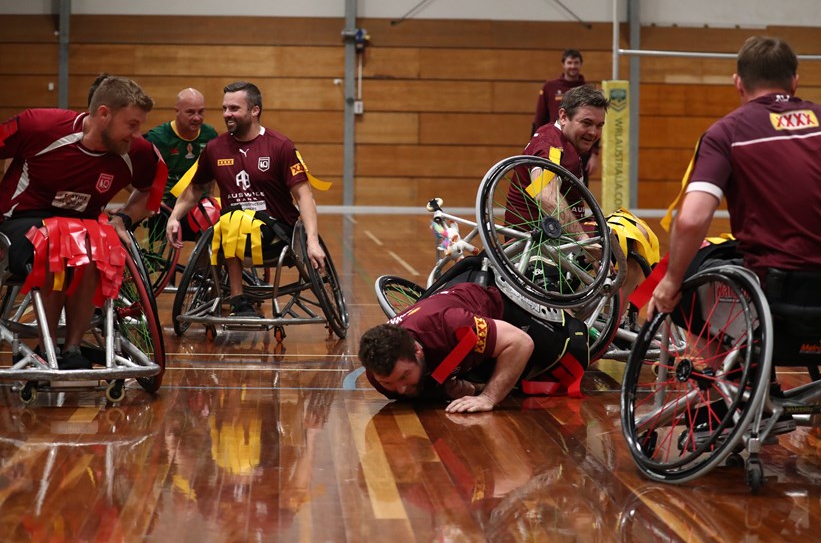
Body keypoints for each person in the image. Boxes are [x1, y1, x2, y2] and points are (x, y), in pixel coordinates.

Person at [650, 36, 821, 317]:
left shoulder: (726, 133)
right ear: (795, 81)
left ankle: (720, 362)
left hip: (777, 287)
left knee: (685, 285)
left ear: (738, 83)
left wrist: (670, 282)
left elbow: (691, 220)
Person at [0, 75, 166, 369]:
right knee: (59, 241)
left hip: (84, 229)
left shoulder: (135, 152)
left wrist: (124, 218)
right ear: (104, 114)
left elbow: (150, 190)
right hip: (22, 222)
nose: (138, 133)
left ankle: (72, 348)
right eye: (131, 124)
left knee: (95, 245)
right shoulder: (40, 126)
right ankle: (47, 345)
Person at [165, 81, 326, 317]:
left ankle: (238, 297)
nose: (227, 115)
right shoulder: (215, 148)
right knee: (227, 225)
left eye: (234, 109)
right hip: (234, 229)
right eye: (224, 109)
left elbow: (304, 195)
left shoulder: (280, 146)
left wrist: (312, 240)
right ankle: (238, 300)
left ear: (254, 110)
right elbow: (196, 189)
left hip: (277, 230)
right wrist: (174, 217)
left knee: (230, 226)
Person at [359, 258, 591, 414]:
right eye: (387, 383)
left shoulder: (452, 326)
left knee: (572, 351)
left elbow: (520, 342)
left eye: (404, 376)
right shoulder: (377, 372)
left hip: (498, 304)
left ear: (417, 351)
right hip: (454, 311)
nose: (398, 390)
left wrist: (488, 397)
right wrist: (468, 389)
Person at [509, 85, 660, 307]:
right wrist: (583, 241)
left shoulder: (561, 140)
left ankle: (616, 314)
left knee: (638, 231)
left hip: (553, 239)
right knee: (631, 234)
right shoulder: (551, 145)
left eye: (599, 126)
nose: (594, 133)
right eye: (586, 123)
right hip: (537, 245)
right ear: (563, 115)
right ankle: (615, 318)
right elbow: (545, 195)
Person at [144, 88, 218, 206]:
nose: (197, 117)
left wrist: (210, 195)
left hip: (200, 204)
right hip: (165, 206)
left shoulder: (210, 134)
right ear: (177, 111)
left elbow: (211, 169)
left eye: (201, 111)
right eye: (190, 112)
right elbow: (134, 171)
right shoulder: (157, 138)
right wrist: (151, 200)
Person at [532, 48, 586, 134]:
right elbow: (540, 116)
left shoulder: (587, 89)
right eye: (569, 63)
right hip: (554, 137)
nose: (573, 66)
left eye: (576, 63)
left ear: (581, 64)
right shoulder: (550, 87)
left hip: (578, 138)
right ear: (563, 64)